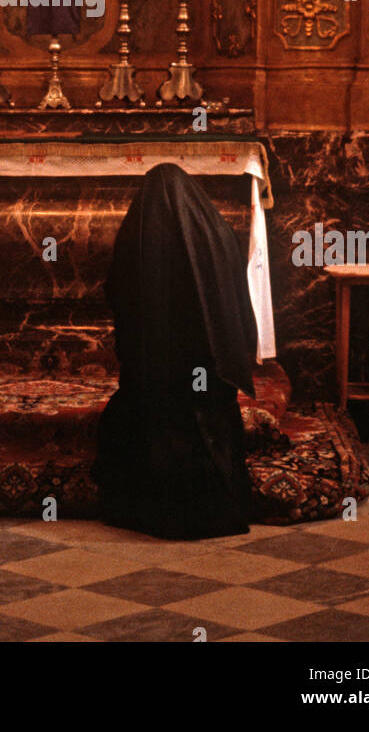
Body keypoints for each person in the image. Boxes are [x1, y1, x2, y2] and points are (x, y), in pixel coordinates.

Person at [93, 163, 258, 539]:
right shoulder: (215, 232)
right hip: (208, 386)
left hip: (153, 385)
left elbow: (117, 297)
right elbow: (237, 297)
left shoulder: (137, 235)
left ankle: (150, 508)